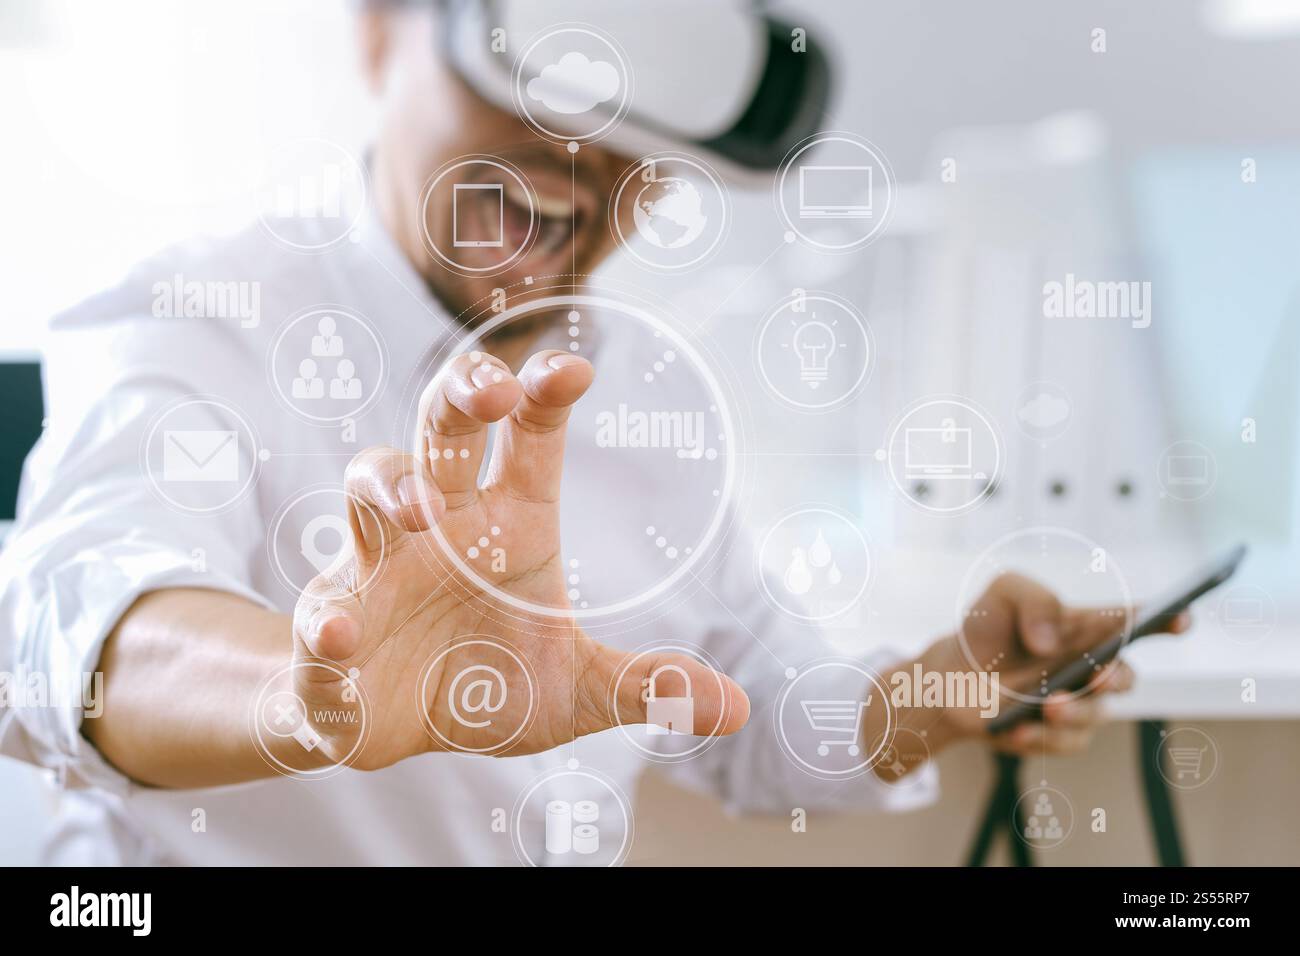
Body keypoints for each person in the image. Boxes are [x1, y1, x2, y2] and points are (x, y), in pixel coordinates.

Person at [0, 3, 1185, 865]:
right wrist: (311, 699)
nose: (579, 151)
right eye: (545, 58)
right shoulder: (196, 319)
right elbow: (75, 626)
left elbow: (756, 710)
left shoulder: (650, 416)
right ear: (379, 31)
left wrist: (941, 685)